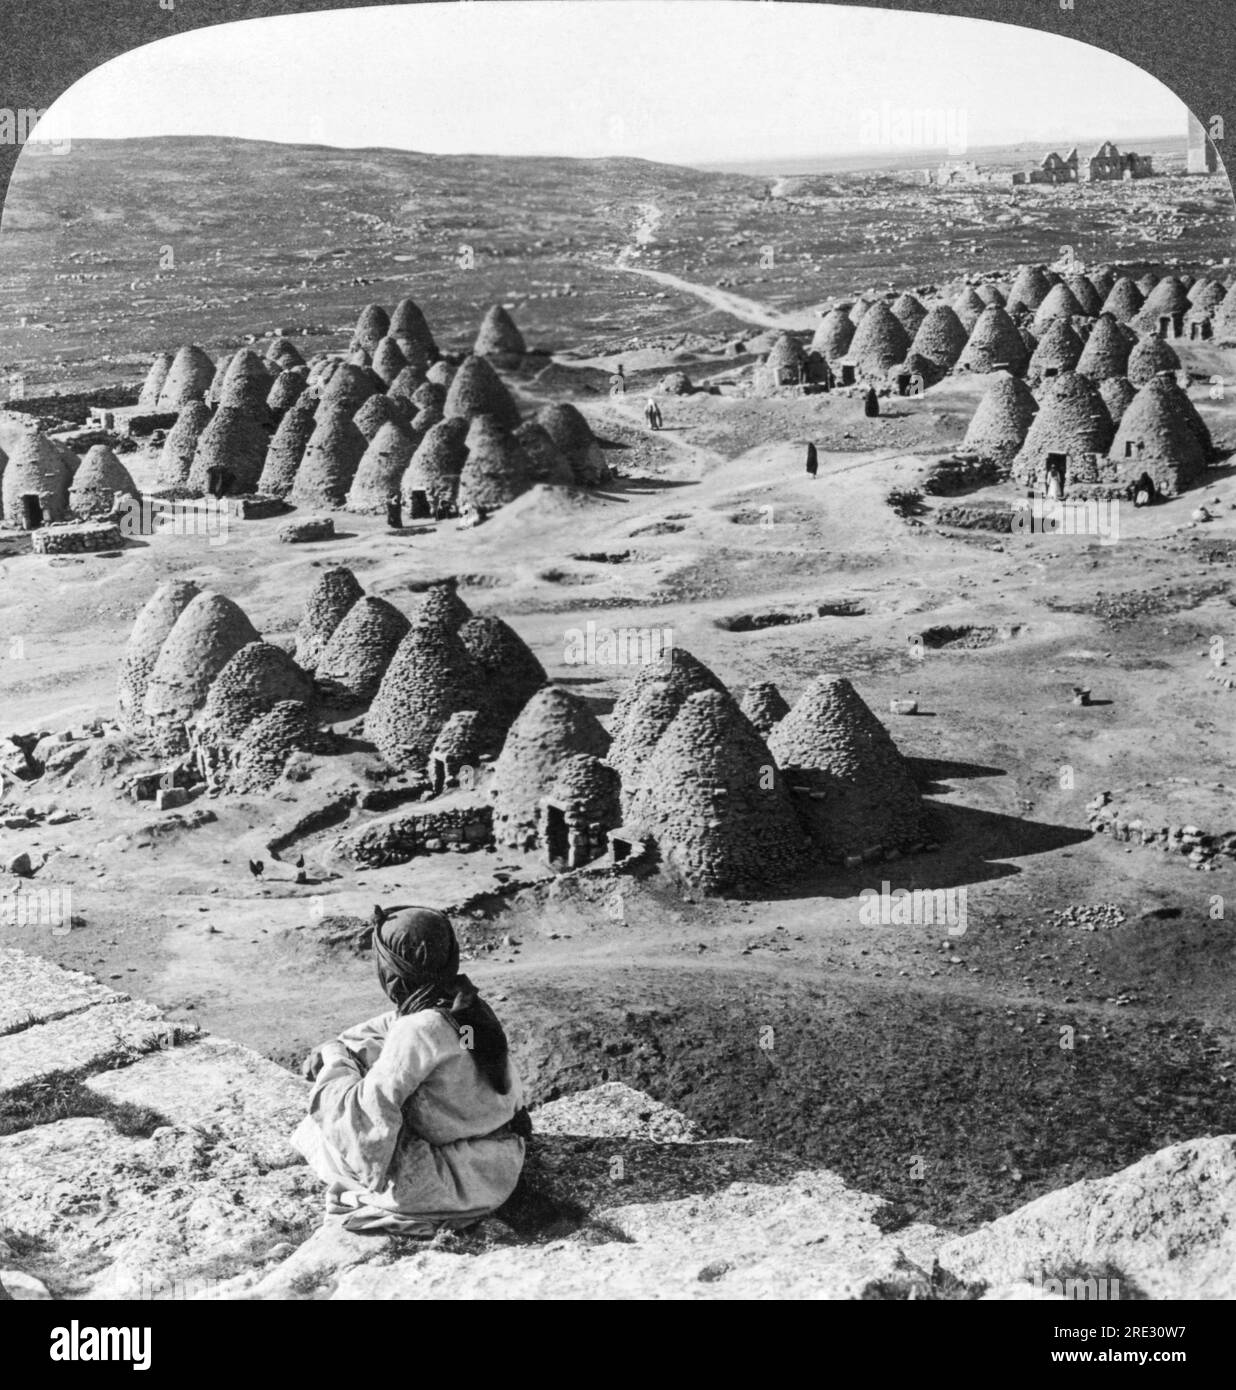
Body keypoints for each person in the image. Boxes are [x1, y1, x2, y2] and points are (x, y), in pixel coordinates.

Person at [294, 906, 529, 1236]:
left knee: (325, 1127)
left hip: (457, 1183)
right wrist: (339, 1044)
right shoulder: (462, 1003)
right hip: (501, 1163)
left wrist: (335, 1060)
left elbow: (363, 1114)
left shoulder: (419, 1028)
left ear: (391, 970)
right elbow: (386, 1029)